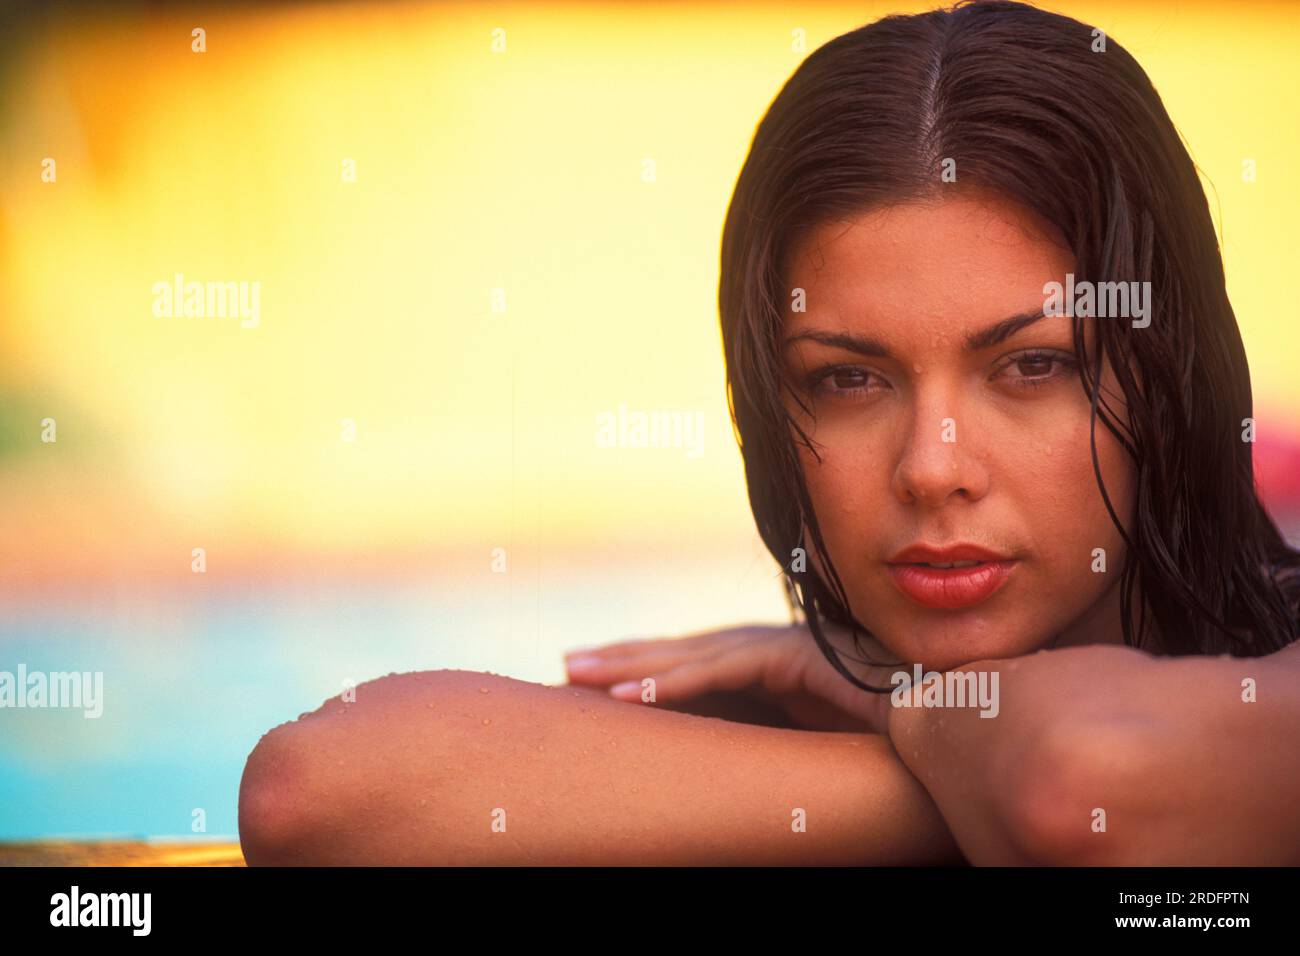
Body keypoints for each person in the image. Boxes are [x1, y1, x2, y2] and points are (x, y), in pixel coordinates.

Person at [237, 0, 1300, 865]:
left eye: (1030, 365)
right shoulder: (780, 717)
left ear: (1168, 376)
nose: (931, 466)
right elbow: (312, 791)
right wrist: (948, 755)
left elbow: (1078, 785)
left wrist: (907, 710)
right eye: (847, 378)